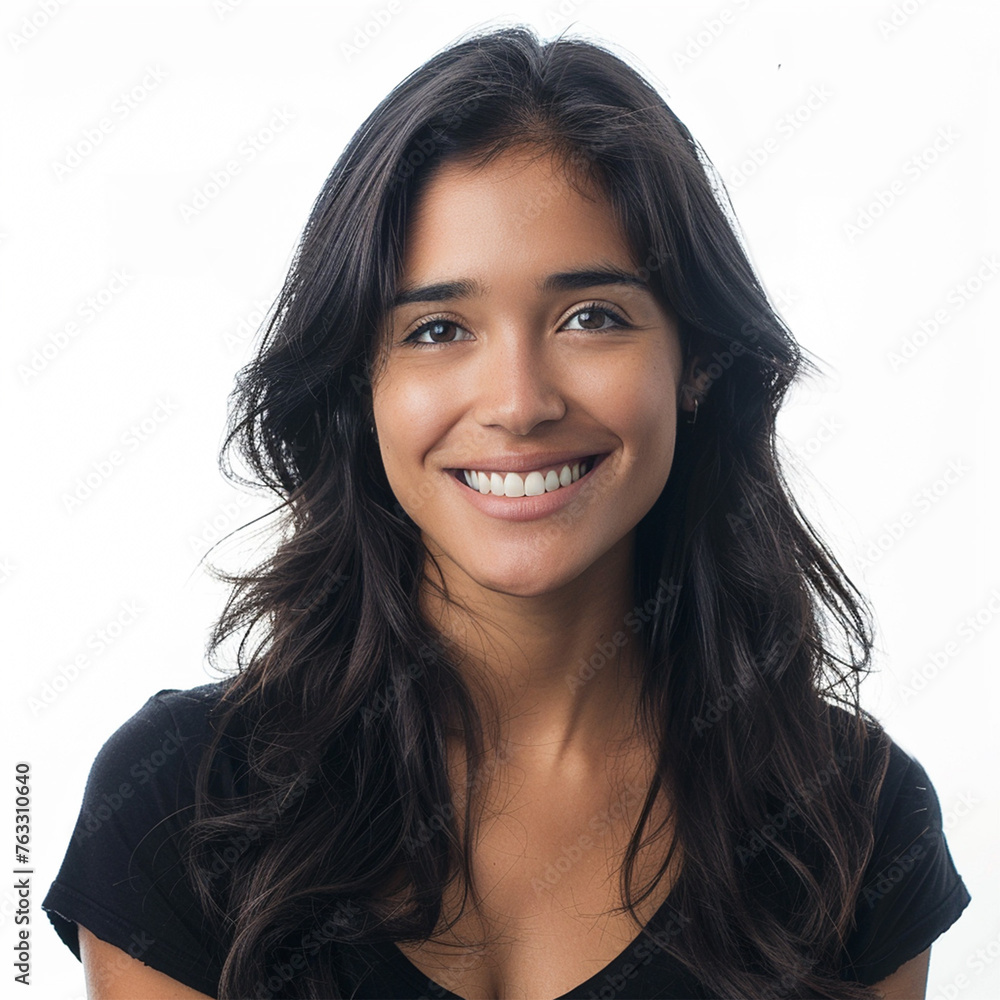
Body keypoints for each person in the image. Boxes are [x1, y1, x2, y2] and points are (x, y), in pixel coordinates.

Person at [43, 24, 970, 1000]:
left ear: (697, 360)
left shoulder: (854, 818)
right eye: (438, 328)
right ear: (360, 382)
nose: (520, 403)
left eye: (591, 317)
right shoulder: (179, 799)